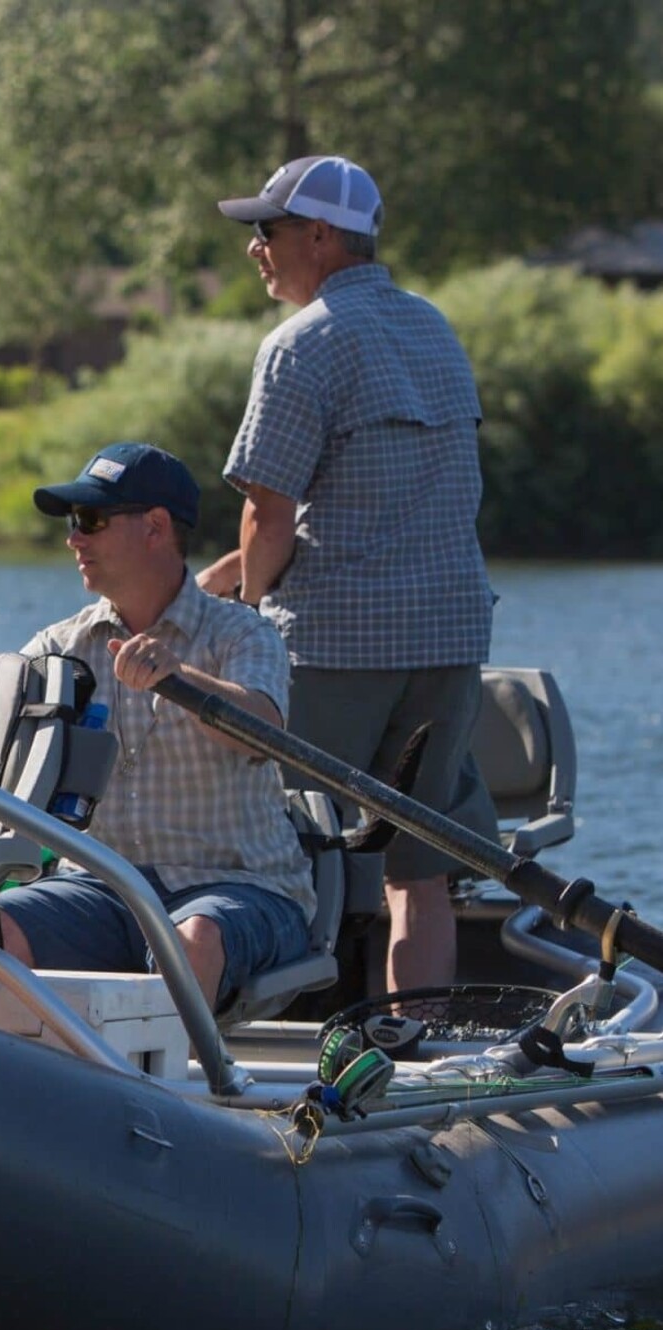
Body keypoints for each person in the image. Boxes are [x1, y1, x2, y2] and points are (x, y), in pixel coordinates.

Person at [201, 155, 494, 993]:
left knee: (289, 850)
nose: (255, 249)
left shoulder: (300, 345)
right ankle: (420, 1047)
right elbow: (374, 508)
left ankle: (289, 1048)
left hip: (338, 646)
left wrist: (242, 613)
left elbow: (269, 516)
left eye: (267, 230)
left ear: (320, 237)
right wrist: (217, 578)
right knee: (420, 869)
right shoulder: (432, 327)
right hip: (447, 636)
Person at [0, 442, 314, 1009]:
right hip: (103, 889)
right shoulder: (56, 648)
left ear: (155, 527)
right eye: (73, 523)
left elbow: (262, 729)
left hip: (242, 889)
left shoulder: (244, 633)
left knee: (191, 940)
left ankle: (159, 1094)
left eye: (91, 521)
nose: (74, 539)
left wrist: (182, 680)